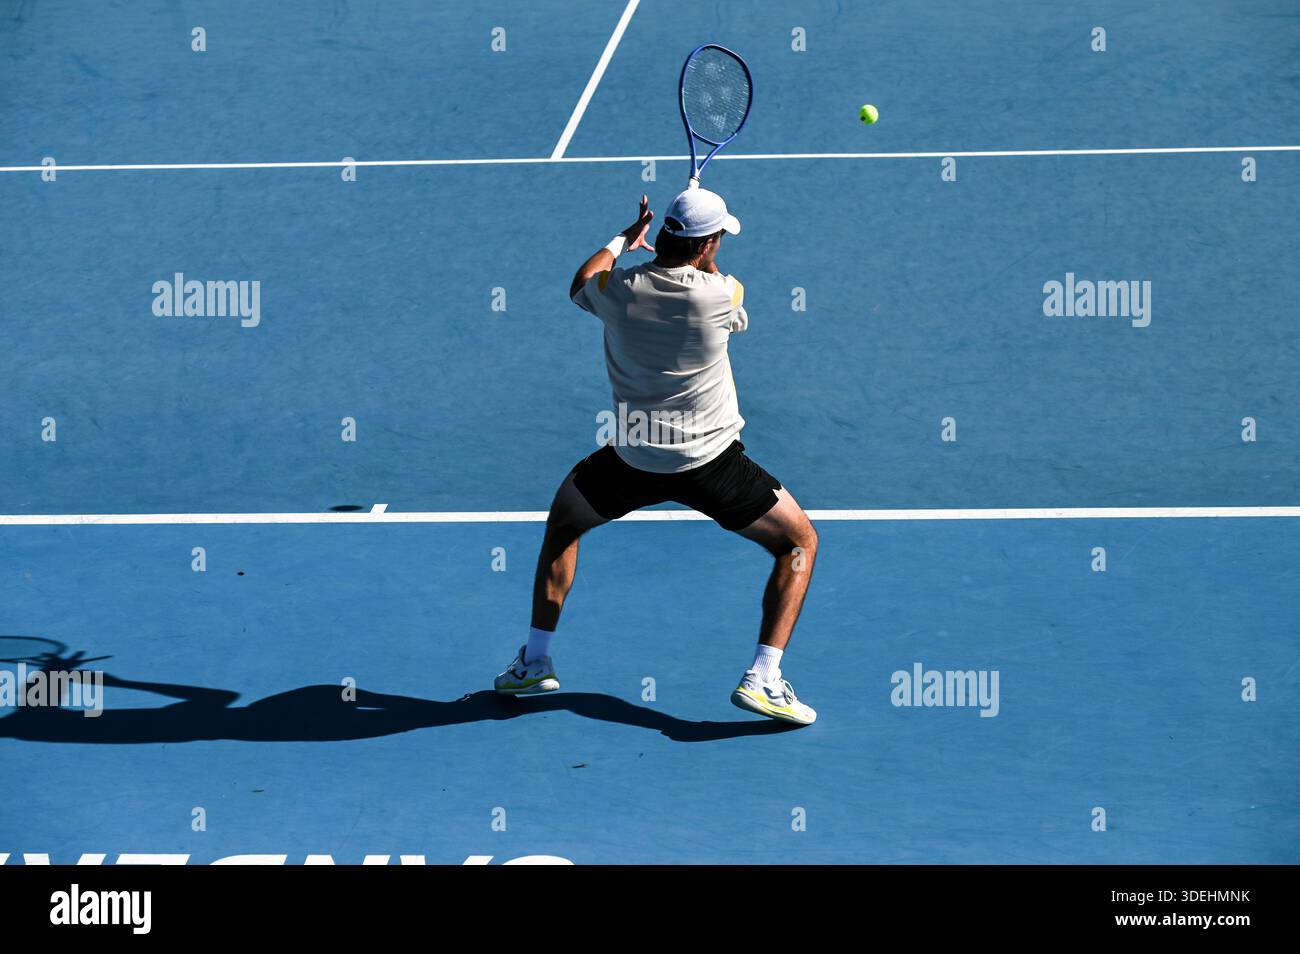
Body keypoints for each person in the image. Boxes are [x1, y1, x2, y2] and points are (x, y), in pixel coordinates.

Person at [494, 188, 819, 725]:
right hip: (712, 463)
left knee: (564, 525)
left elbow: (581, 281)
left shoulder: (617, 289)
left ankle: (535, 661)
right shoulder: (723, 294)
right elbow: (720, 286)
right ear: (708, 244)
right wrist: (701, 257)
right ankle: (764, 676)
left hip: (632, 461)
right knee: (799, 543)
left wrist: (625, 239)